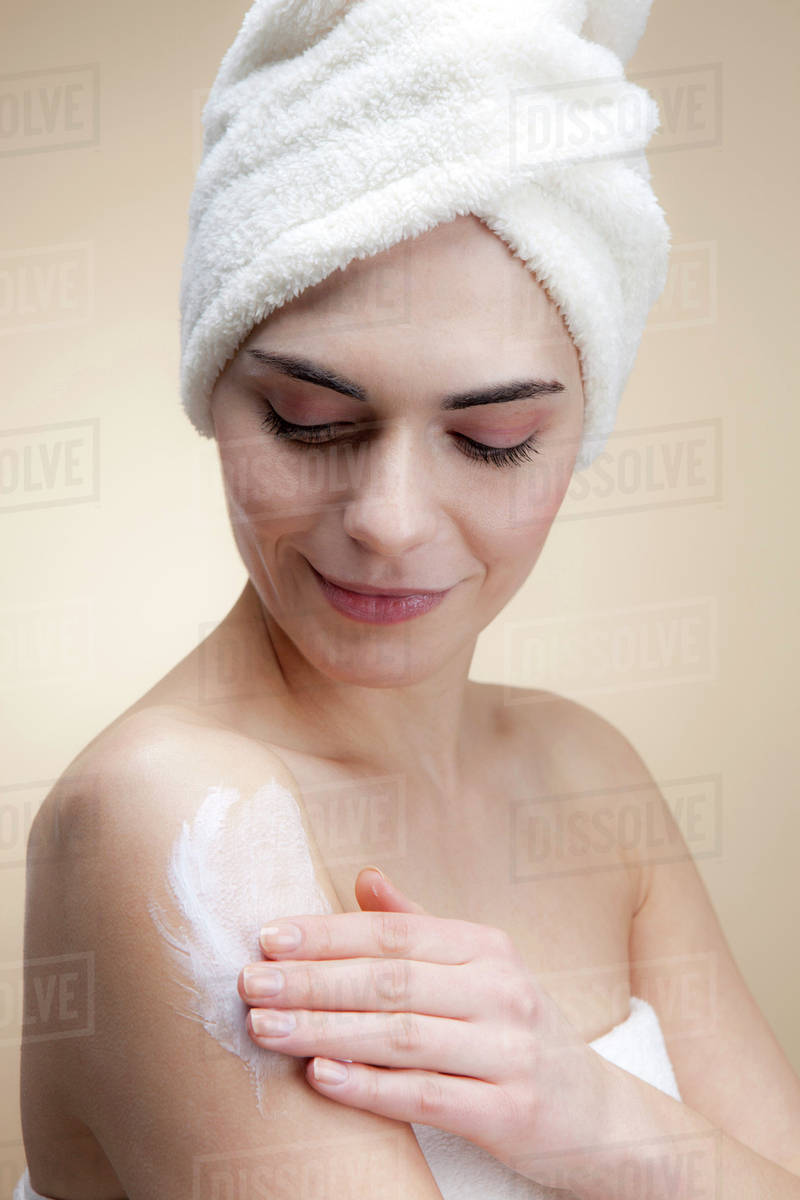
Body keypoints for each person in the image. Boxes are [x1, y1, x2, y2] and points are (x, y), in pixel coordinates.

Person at [16, 1, 800, 1197]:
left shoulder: (581, 771)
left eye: (489, 439)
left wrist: (587, 1111)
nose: (388, 519)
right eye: (309, 420)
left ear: (579, 431)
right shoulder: (170, 820)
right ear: (213, 382)